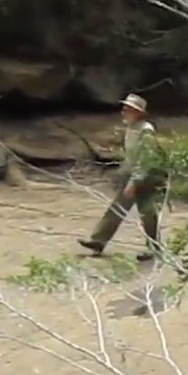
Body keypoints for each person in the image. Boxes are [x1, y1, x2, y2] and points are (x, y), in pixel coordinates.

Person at [77, 93, 164, 262]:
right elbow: (130, 156)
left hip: (146, 177)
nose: (123, 111)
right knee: (119, 208)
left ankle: (154, 248)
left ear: (138, 112)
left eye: (128, 109)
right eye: (124, 108)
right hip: (133, 174)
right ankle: (98, 241)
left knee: (147, 212)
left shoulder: (146, 130)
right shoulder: (131, 129)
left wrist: (135, 181)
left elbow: (146, 159)